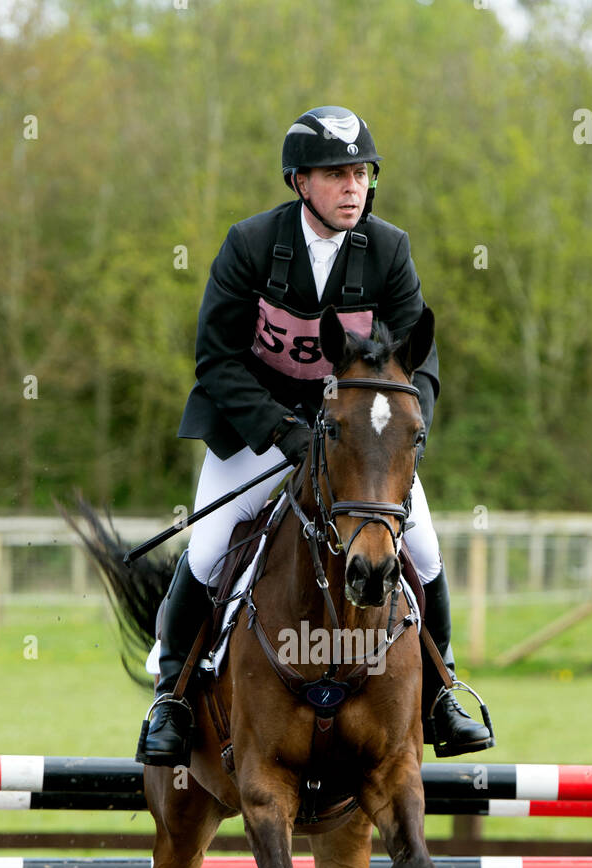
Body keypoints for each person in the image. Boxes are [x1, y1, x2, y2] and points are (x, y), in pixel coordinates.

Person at [138, 105, 493, 765]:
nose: (353, 187)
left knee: (425, 547)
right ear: (301, 182)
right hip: (255, 425)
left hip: (355, 441)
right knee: (212, 544)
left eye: (361, 173)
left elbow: (419, 359)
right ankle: (171, 697)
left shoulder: (388, 249)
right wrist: (283, 432)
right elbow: (216, 360)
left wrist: (406, 437)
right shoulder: (250, 245)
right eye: (336, 174)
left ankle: (443, 693)